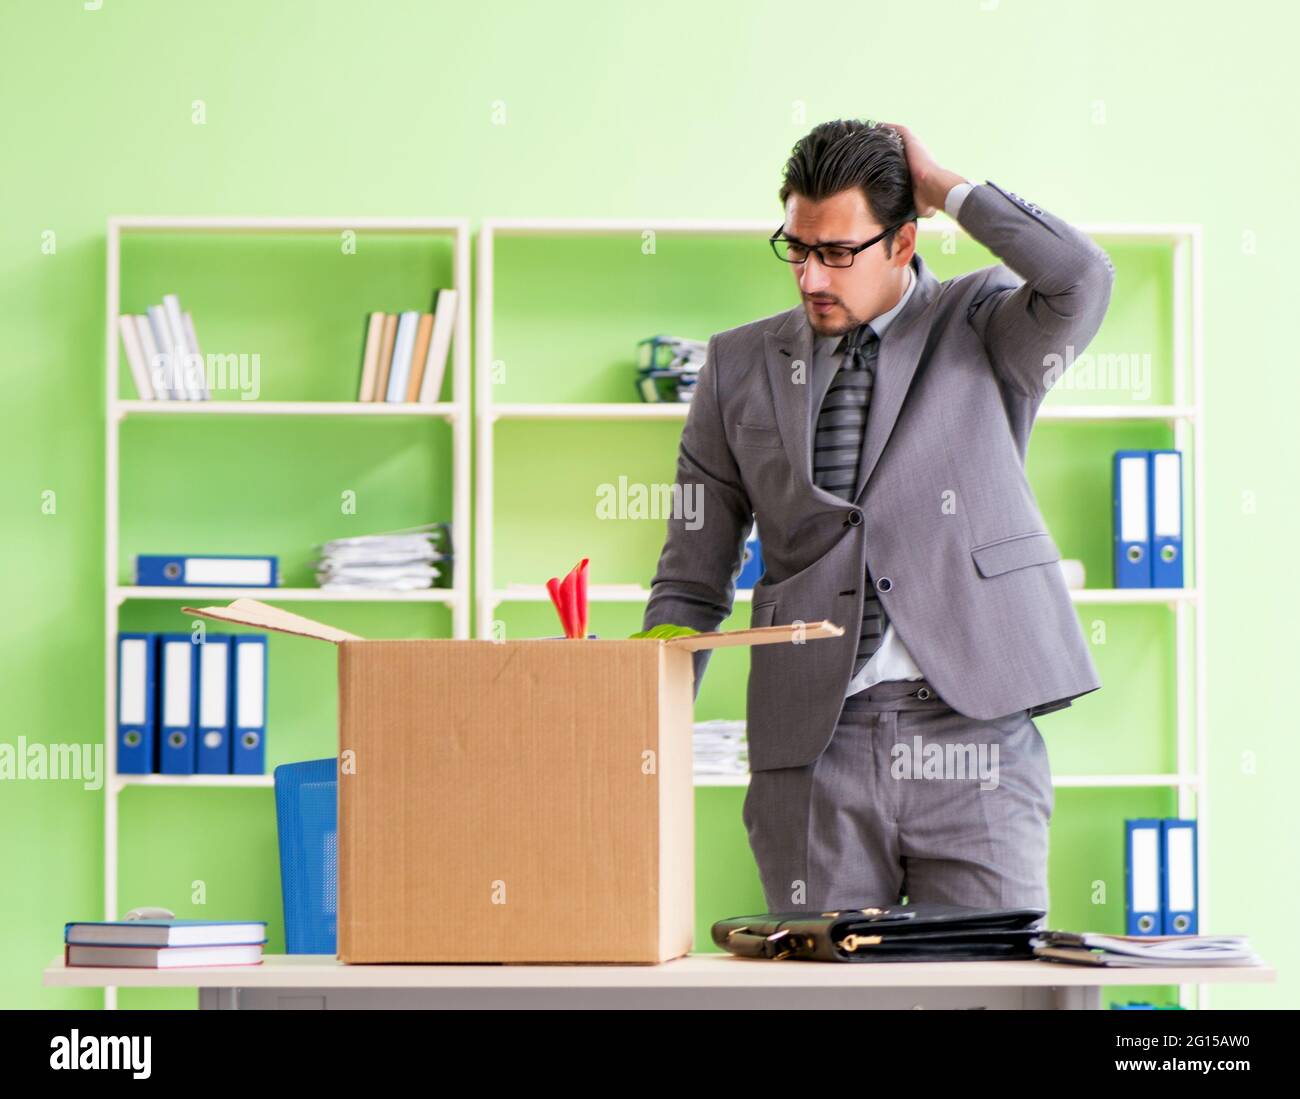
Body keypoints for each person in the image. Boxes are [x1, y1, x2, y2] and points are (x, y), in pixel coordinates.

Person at [642, 119, 1114, 917]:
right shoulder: (735, 367)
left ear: (902, 241)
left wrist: (949, 190)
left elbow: (1081, 278)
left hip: (977, 739)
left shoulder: (985, 324)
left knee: (993, 995)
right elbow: (691, 576)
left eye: (836, 253)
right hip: (816, 753)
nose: (809, 276)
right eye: (796, 247)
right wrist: (634, 721)